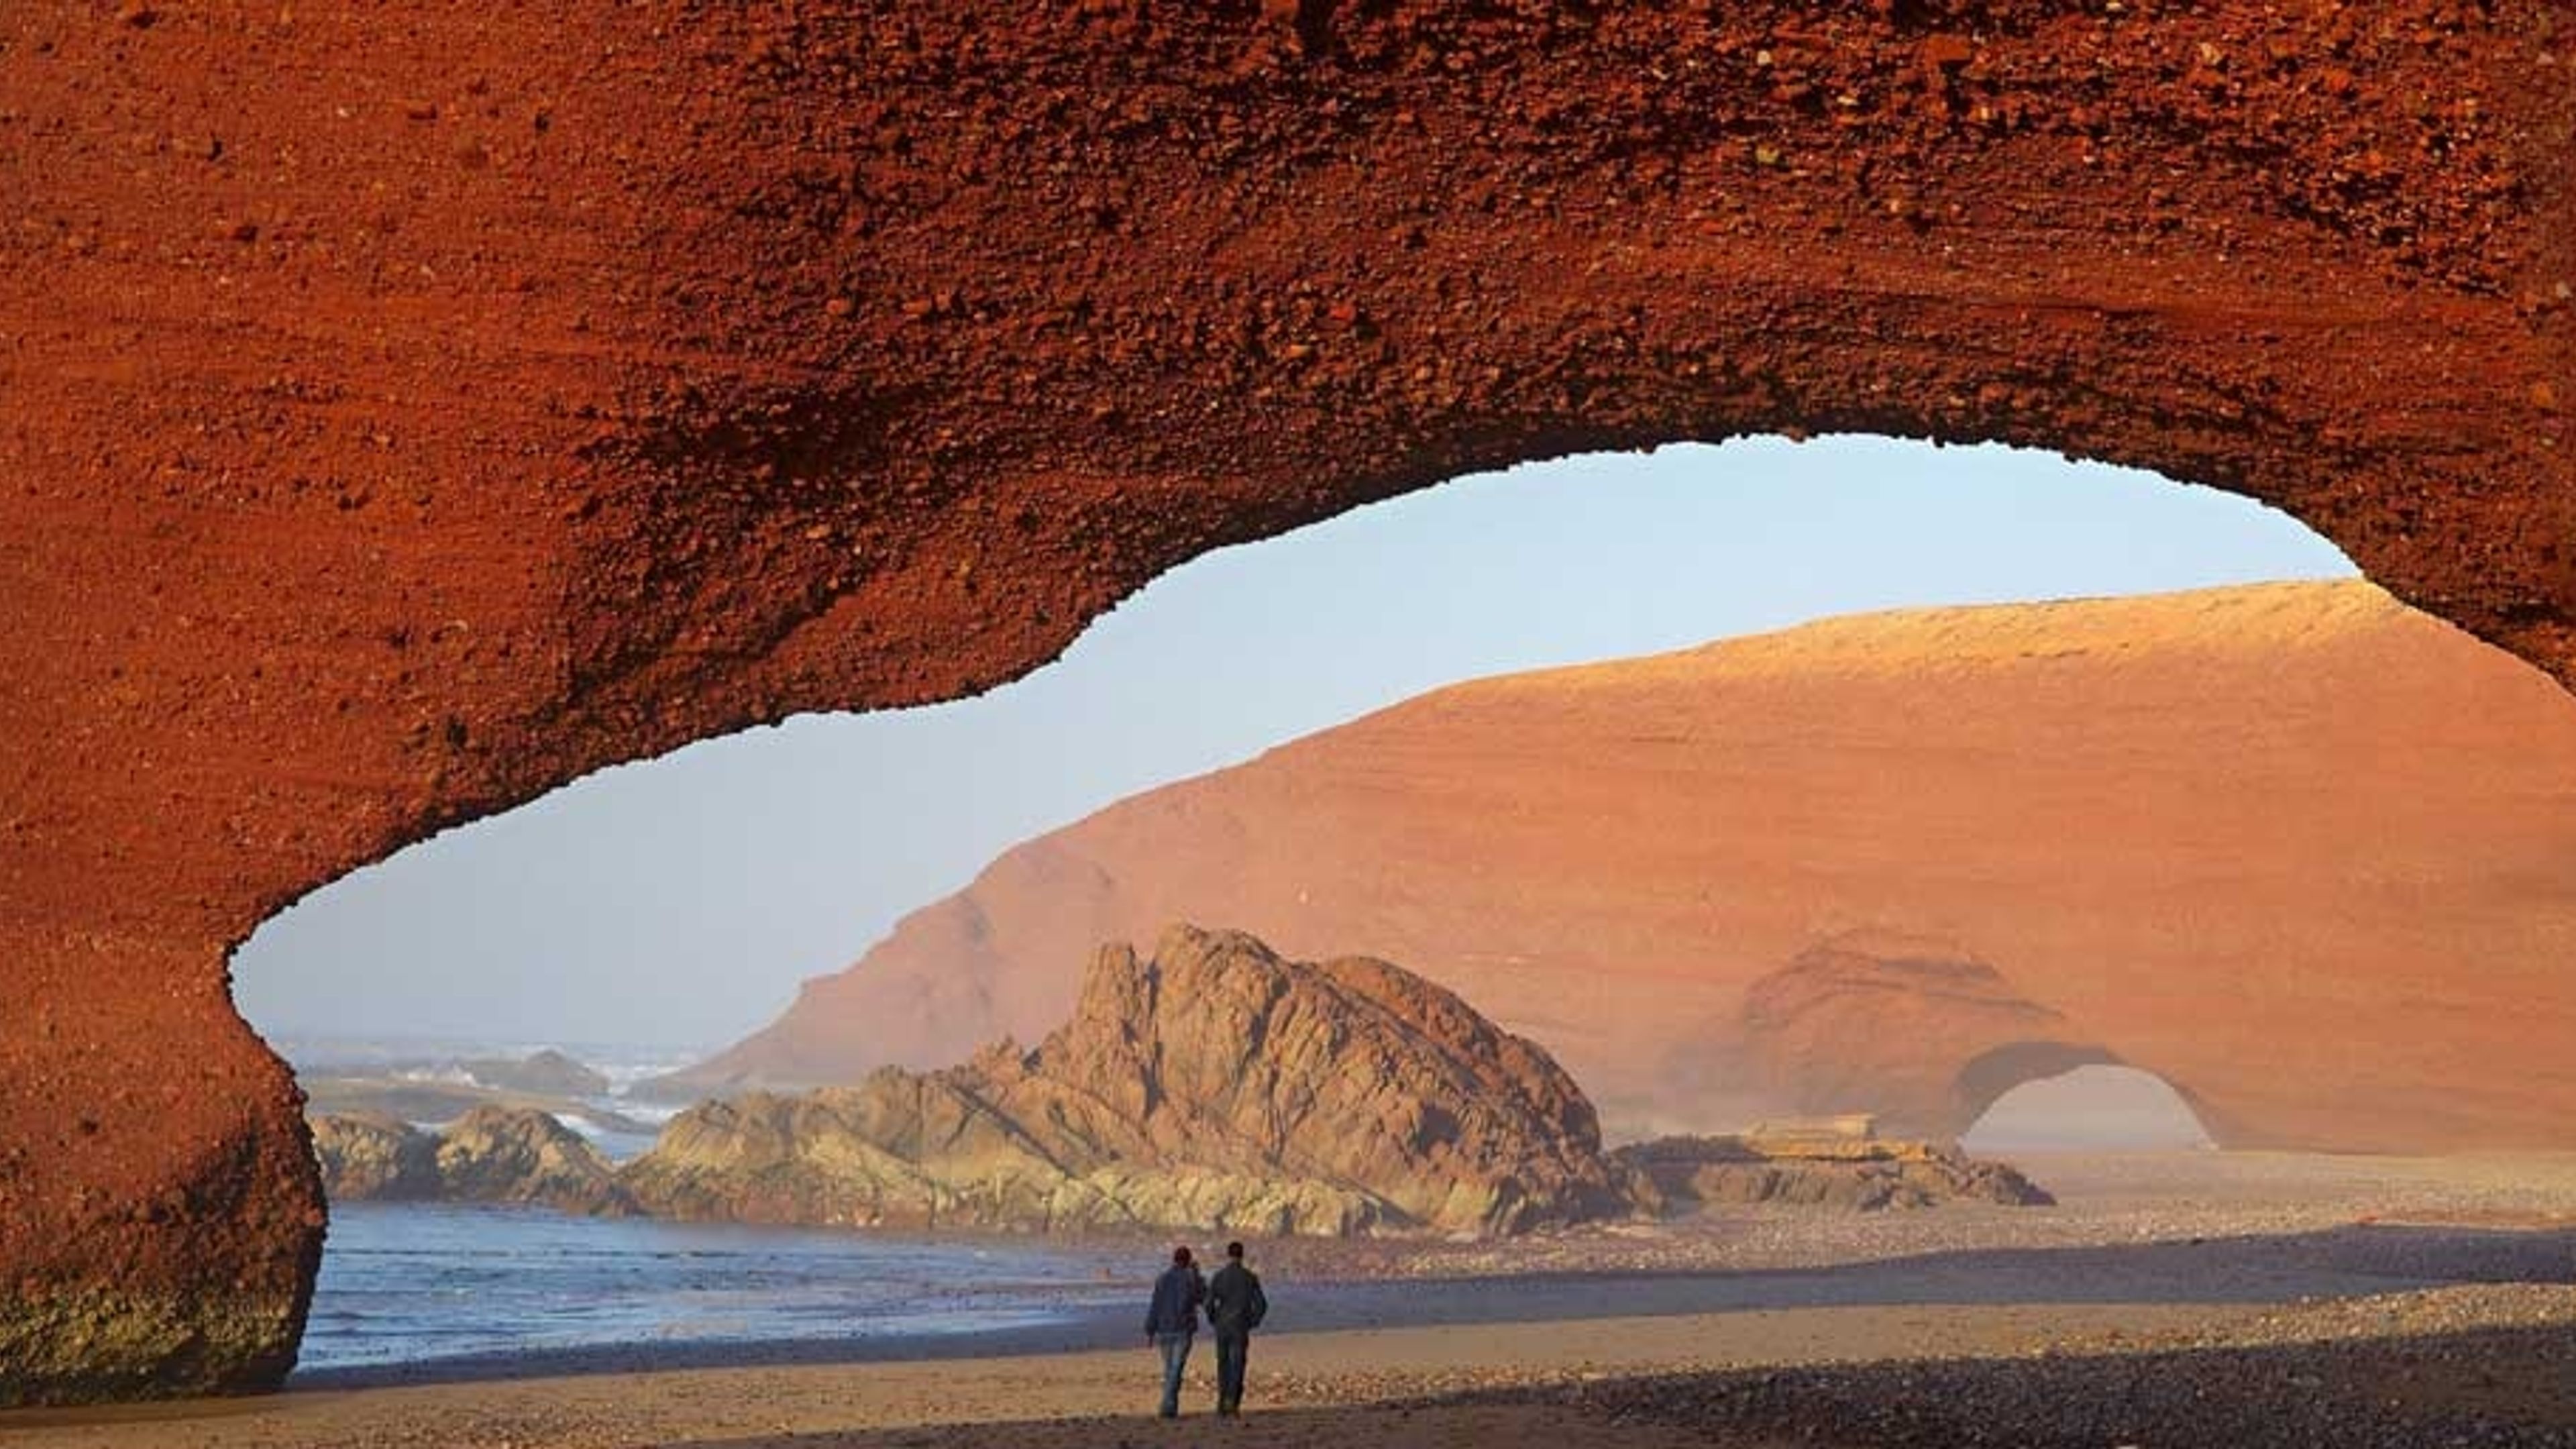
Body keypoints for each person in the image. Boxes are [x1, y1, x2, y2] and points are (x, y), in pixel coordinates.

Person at [1203, 1240, 1268, 1416]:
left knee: (1223, 1365)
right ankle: (1233, 1402)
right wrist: (1253, 1322)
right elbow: (1262, 1305)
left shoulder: (1219, 1276)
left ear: (1229, 1255)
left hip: (1222, 1326)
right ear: (1242, 1255)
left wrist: (1213, 1319)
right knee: (1238, 1365)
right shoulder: (1249, 1277)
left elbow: (1208, 1303)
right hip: (1240, 1326)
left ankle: (1222, 1402)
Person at [1142, 1244, 1205, 1418]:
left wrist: (1150, 1330)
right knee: (1175, 1370)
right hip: (1182, 1330)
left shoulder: (1162, 1279)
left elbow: (1155, 1305)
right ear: (1187, 1261)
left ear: (1174, 1260)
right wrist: (1197, 1276)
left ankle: (1170, 1408)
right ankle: (1167, 1407)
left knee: (1171, 1369)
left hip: (1164, 1330)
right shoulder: (1190, 1279)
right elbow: (1202, 1297)